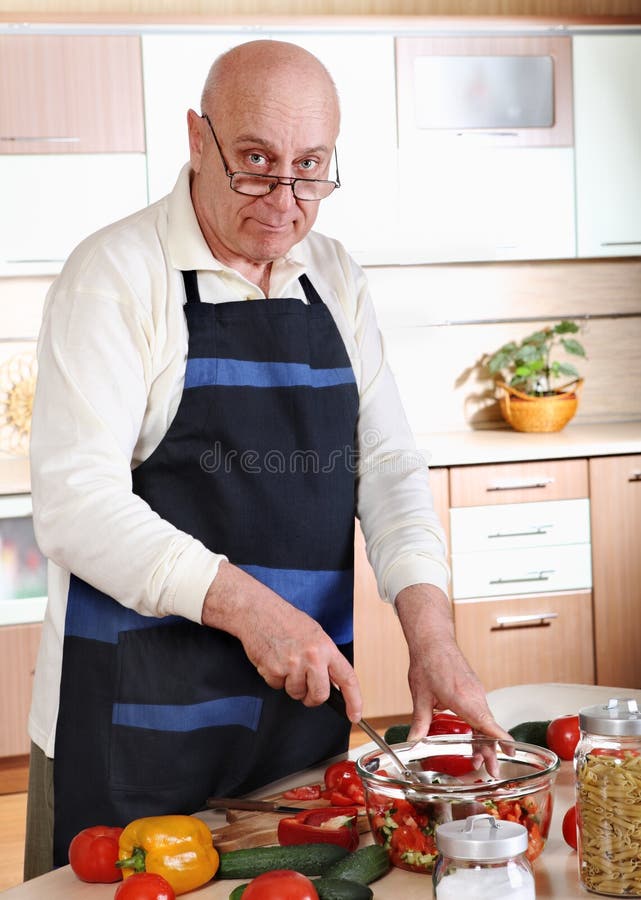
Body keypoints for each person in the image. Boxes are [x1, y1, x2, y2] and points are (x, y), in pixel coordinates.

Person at [25, 39, 510, 878]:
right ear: (196, 139)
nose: (284, 200)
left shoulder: (334, 276)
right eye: (254, 162)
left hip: (297, 720)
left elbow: (388, 466)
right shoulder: (116, 274)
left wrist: (432, 640)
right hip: (136, 723)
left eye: (310, 169)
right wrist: (257, 613)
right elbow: (74, 504)